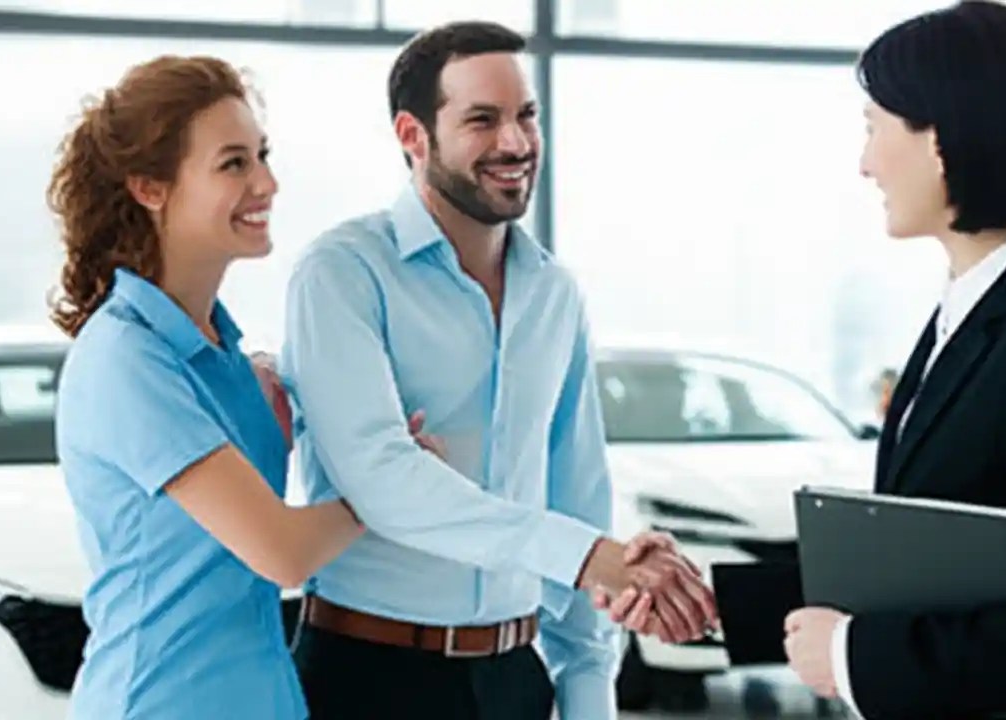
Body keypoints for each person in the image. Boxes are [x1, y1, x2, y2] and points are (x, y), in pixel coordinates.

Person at [605, 2, 1006, 718]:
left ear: (941, 140)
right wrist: (707, 601)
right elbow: (928, 568)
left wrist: (851, 655)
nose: (864, 164)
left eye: (875, 127)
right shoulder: (978, 312)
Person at [280, 21, 716, 720]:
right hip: (368, 678)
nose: (515, 143)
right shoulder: (343, 272)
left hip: (515, 678)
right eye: (482, 120)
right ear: (413, 136)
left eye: (526, 116)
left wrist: (585, 693)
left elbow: (577, 493)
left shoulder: (555, 292)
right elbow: (379, 475)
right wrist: (588, 555)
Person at [50, 56, 373, 719]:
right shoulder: (125, 356)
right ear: (150, 187)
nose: (267, 182)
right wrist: (392, 480)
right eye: (234, 163)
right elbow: (282, 552)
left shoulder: (226, 357)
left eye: (262, 155)